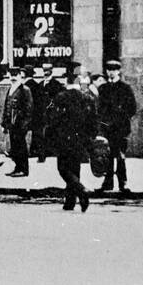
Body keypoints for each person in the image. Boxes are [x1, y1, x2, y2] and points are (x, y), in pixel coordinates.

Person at [45, 64, 95, 211]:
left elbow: (53, 119)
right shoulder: (87, 98)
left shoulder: (61, 97)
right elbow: (93, 120)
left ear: (66, 80)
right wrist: (89, 137)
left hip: (63, 139)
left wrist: (50, 138)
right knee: (75, 168)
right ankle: (70, 201)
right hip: (80, 139)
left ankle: (81, 190)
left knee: (63, 169)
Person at [96, 60, 137, 193]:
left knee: (120, 157)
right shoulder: (103, 88)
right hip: (107, 128)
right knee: (107, 156)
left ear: (118, 71)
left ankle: (122, 184)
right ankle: (107, 183)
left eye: (114, 70)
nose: (111, 72)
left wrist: (122, 119)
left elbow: (132, 108)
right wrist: (103, 122)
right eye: (109, 70)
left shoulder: (125, 88)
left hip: (121, 128)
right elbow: (99, 108)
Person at [1, 65, 34, 178]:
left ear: (20, 76)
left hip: (20, 124)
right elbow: (6, 107)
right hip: (11, 124)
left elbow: (29, 109)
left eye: (15, 75)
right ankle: (17, 168)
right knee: (15, 147)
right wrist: (4, 123)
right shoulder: (10, 89)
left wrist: (25, 124)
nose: (13, 77)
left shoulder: (25, 90)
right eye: (11, 75)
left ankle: (24, 169)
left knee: (21, 147)